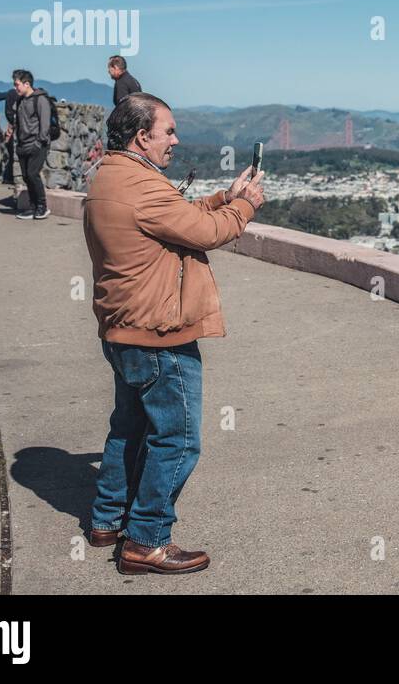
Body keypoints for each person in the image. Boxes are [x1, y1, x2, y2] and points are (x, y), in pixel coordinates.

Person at [83, 92, 265, 575]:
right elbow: (205, 233)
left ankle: (107, 519)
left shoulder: (111, 174)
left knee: (129, 427)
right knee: (177, 439)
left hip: (122, 326)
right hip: (157, 332)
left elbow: (180, 217)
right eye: (169, 131)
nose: (176, 140)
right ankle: (146, 539)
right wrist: (245, 208)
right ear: (142, 136)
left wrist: (226, 197)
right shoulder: (142, 185)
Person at [10, 71, 53, 220]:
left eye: (17, 84)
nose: (15, 88)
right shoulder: (20, 100)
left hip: (37, 144)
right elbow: (17, 121)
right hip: (22, 144)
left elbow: (45, 124)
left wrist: (38, 143)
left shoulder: (40, 100)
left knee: (33, 174)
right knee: (26, 177)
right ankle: (33, 207)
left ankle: (42, 206)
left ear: (26, 84)